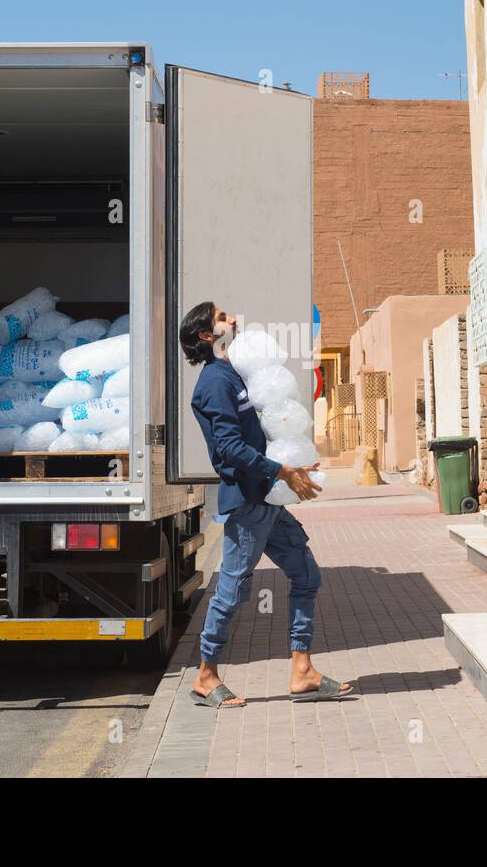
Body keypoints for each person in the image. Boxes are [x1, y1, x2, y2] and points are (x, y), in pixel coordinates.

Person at [178, 301, 354, 708]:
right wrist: (281, 472)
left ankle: (303, 671)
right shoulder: (215, 384)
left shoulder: (236, 374)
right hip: (247, 501)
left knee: (306, 575)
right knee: (233, 589)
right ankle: (205, 676)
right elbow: (229, 447)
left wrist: (291, 465)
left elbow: (257, 435)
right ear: (207, 335)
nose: (233, 319)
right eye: (222, 318)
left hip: (268, 500)